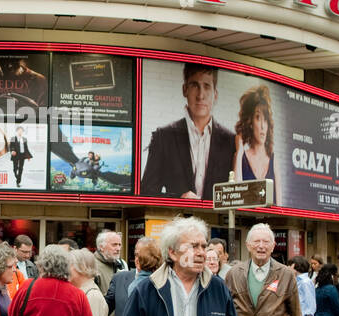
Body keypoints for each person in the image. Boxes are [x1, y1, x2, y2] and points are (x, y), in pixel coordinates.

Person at [140, 63, 237, 200]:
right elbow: (146, 192)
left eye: (207, 86)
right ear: (185, 90)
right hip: (178, 220)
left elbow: (236, 195)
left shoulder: (230, 141)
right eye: (194, 85)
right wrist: (178, 197)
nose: (200, 95)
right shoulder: (164, 137)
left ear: (215, 95)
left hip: (217, 221)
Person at [232, 85, 276, 202]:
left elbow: (280, 207)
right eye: (258, 117)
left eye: (265, 119)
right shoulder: (241, 157)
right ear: (250, 121)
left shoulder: (273, 161)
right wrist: (240, 152)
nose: (262, 126)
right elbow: (235, 197)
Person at [93, 230, 125, 294]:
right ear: (101, 247)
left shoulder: (121, 264)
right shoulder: (91, 266)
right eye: (114, 245)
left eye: (119, 245)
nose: (118, 248)